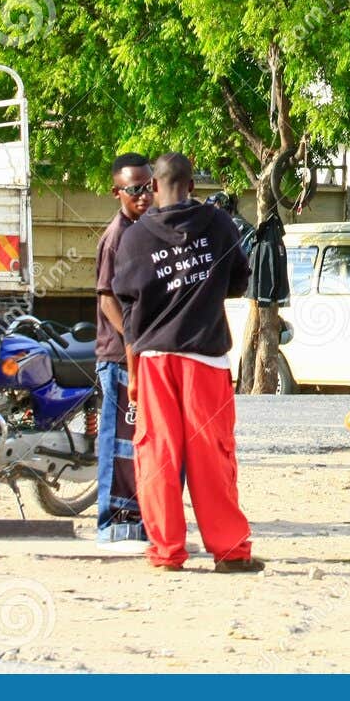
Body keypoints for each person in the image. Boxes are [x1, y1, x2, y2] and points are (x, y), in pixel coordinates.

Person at [113, 153, 261, 573]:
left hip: (154, 361)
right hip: (205, 359)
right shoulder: (219, 224)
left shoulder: (135, 238)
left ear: (153, 186)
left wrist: (134, 371)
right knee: (213, 456)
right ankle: (229, 551)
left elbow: (127, 308)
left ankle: (166, 552)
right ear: (192, 185)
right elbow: (238, 281)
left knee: (157, 454)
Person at [92, 152, 153, 549]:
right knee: (119, 443)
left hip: (143, 352)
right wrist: (132, 339)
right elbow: (107, 299)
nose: (143, 196)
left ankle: (143, 520)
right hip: (119, 356)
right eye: (135, 190)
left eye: (149, 187)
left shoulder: (146, 230)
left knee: (141, 443)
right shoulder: (117, 236)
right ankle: (110, 525)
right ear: (117, 192)